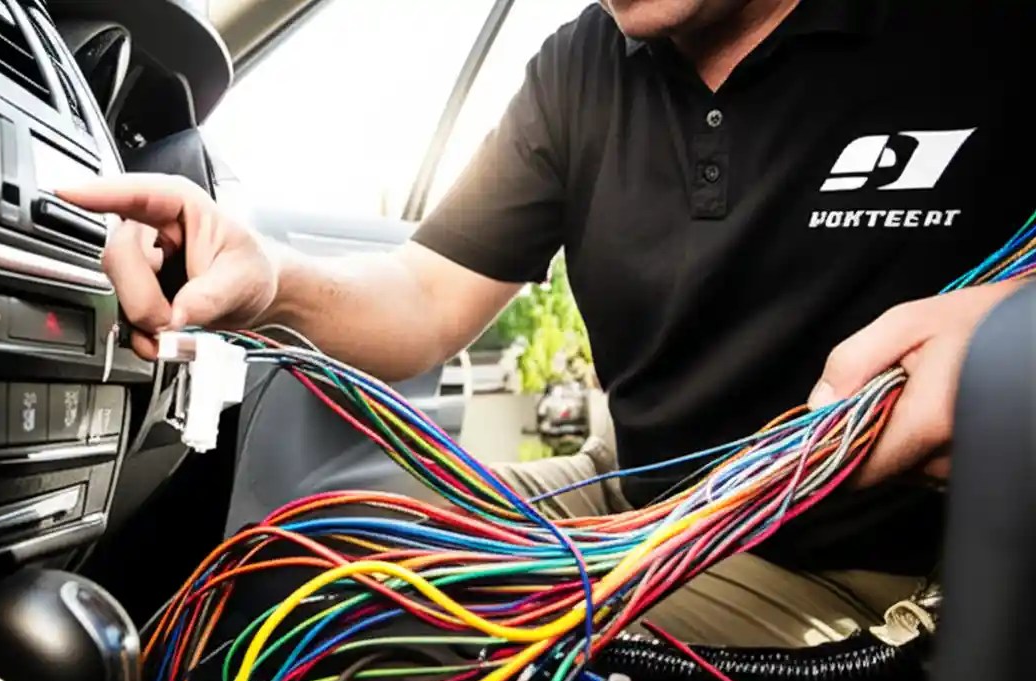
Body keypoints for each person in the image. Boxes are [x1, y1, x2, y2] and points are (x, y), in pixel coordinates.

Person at [61, 0, 1033, 648]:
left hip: (853, 560)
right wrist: (268, 278)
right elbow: (425, 298)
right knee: (294, 562)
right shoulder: (579, 64)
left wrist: (1014, 335)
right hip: (634, 487)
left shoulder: (975, 27)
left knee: (389, 643)